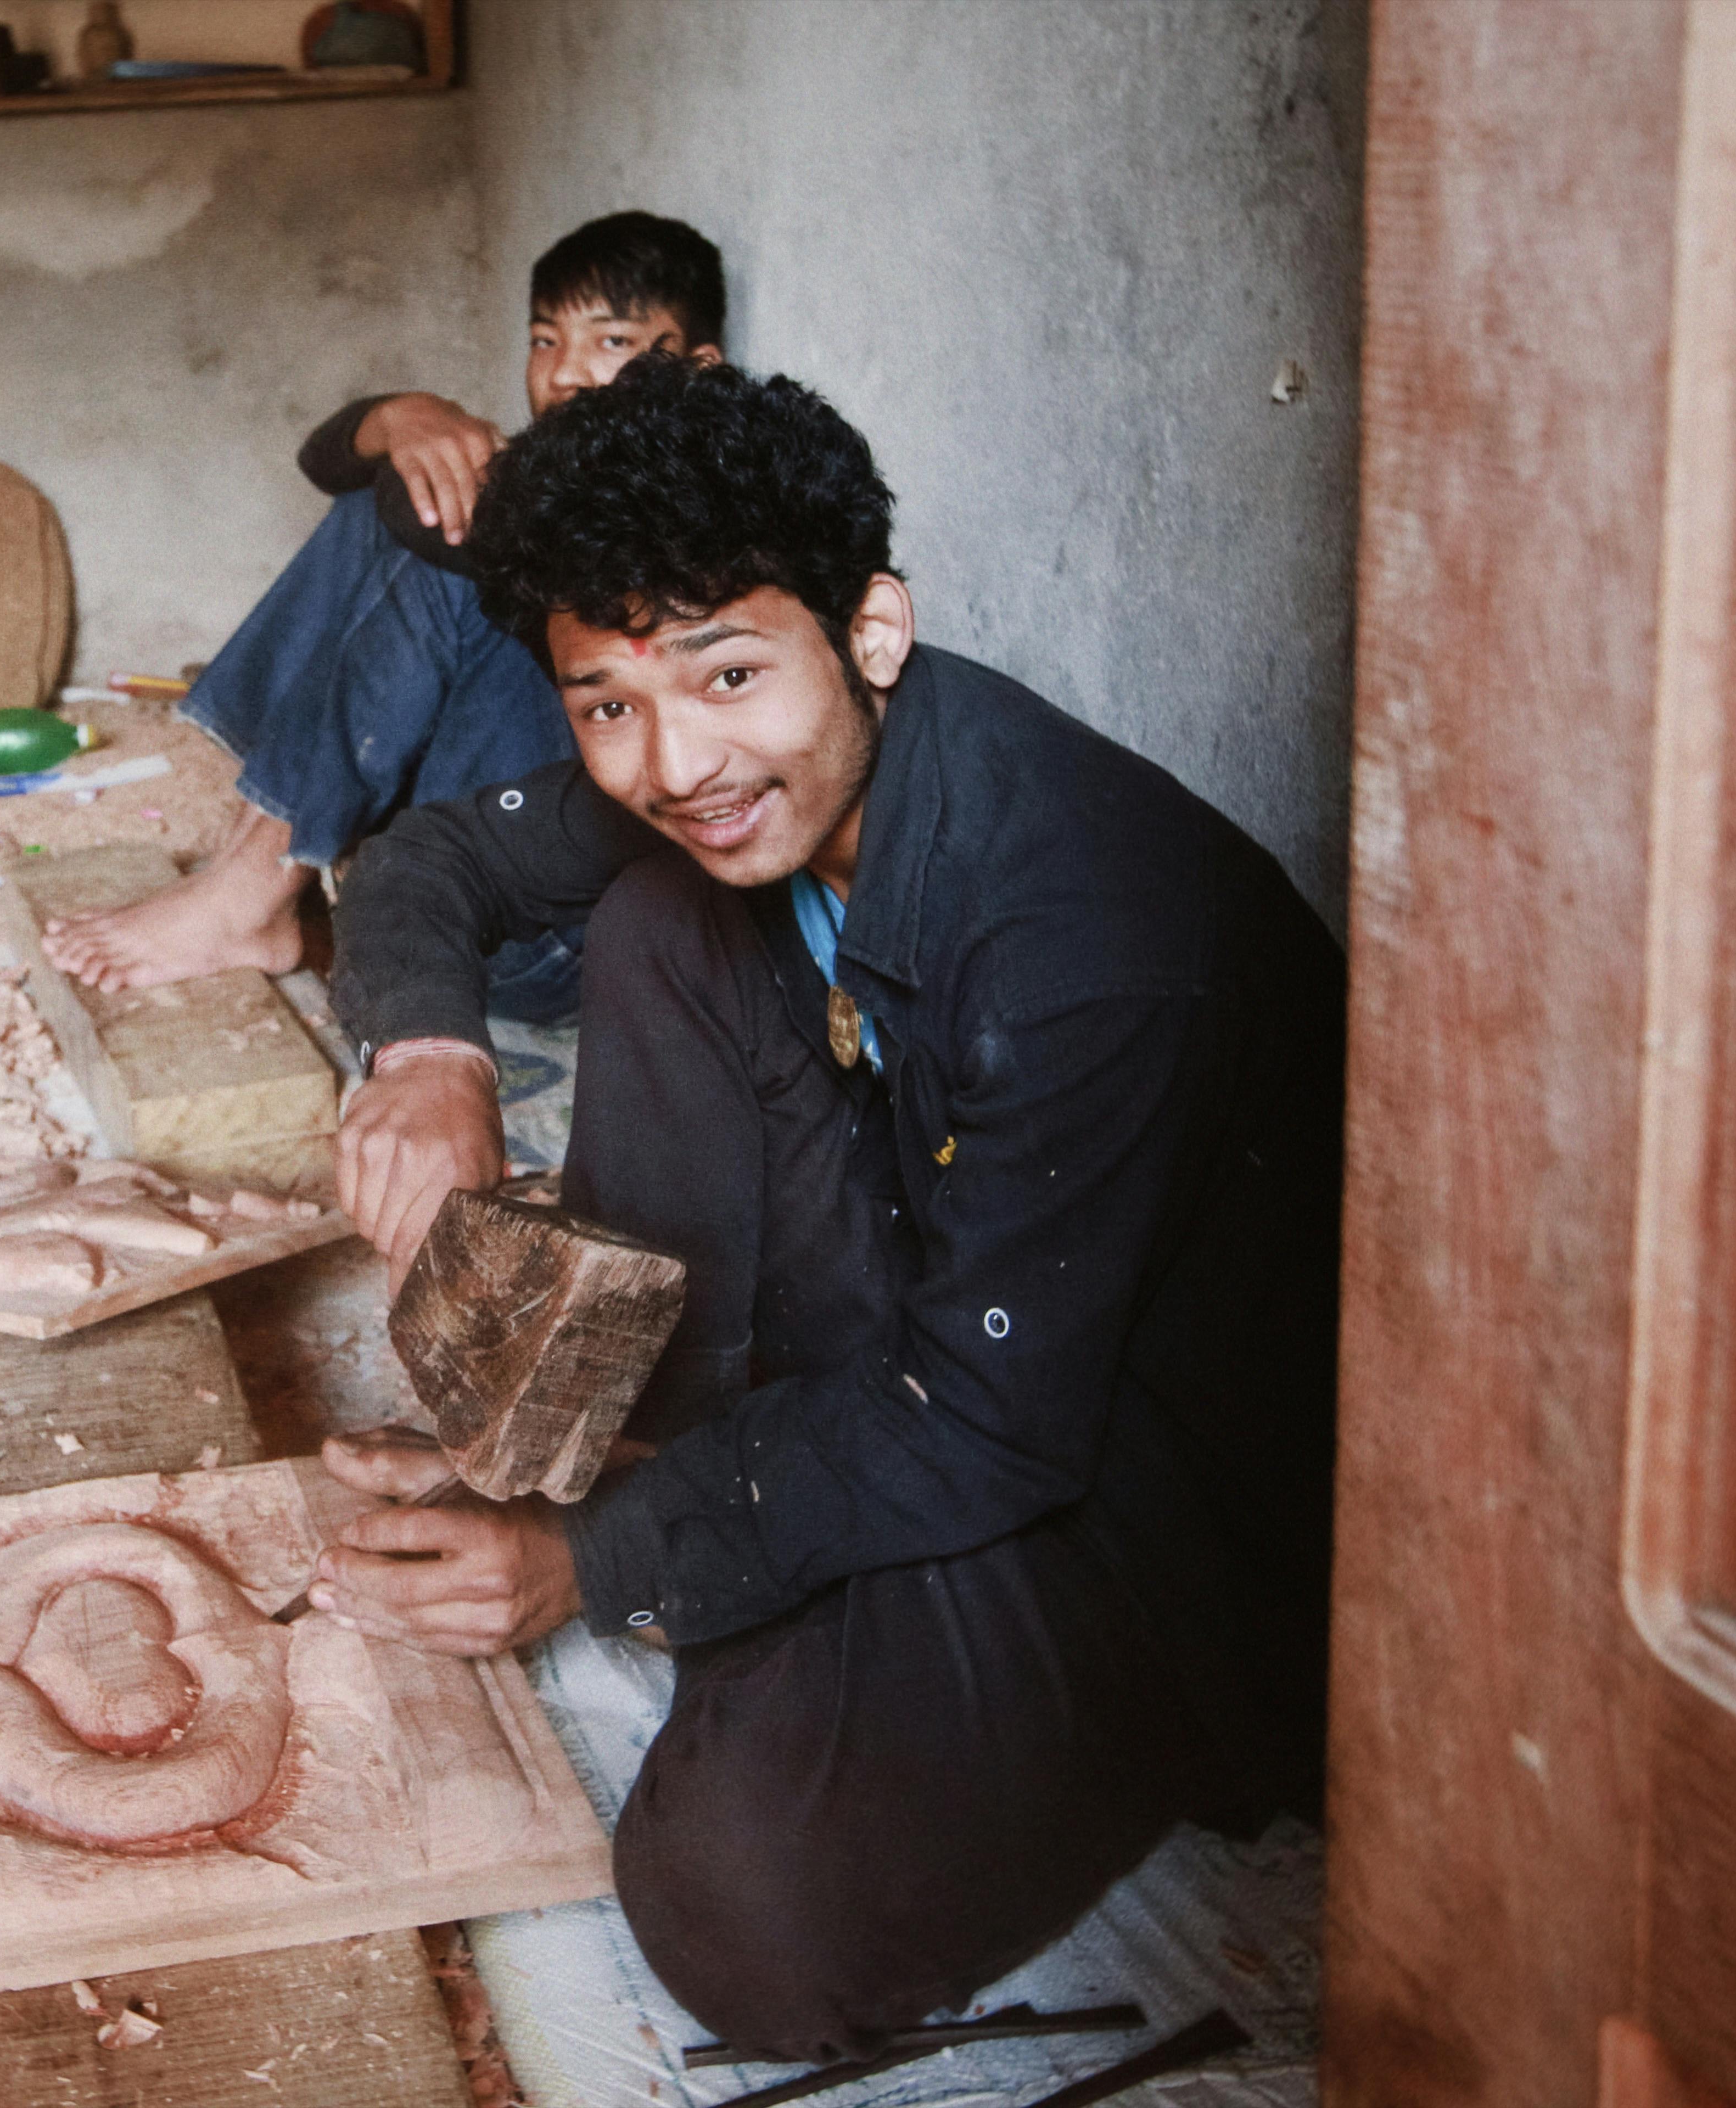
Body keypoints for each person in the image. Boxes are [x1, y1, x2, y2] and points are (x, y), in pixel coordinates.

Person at [298, 356, 1344, 2064]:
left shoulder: (1085, 935)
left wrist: (592, 1560)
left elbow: (986, 1427)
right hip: (948, 1342)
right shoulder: (739, 765)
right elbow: (433, 861)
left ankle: (708, 1540)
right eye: (604, 703)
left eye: (727, 673)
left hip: (1139, 1498)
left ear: (870, 630)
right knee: (665, 924)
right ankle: (678, 1484)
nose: (676, 756)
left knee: (743, 1908)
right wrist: (426, 1053)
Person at [40, 212, 726, 1021]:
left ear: (700, 368)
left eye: (613, 343)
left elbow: (436, 526)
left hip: (561, 936)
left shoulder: (696, 498)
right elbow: (326, 462)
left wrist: (428, 451)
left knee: (432, 535)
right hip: (464, 886)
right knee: (396, 505)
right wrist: (399, 415)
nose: (567, 372)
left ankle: (249, 895)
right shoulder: (557, 471)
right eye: (545, 340)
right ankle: (262, 865)